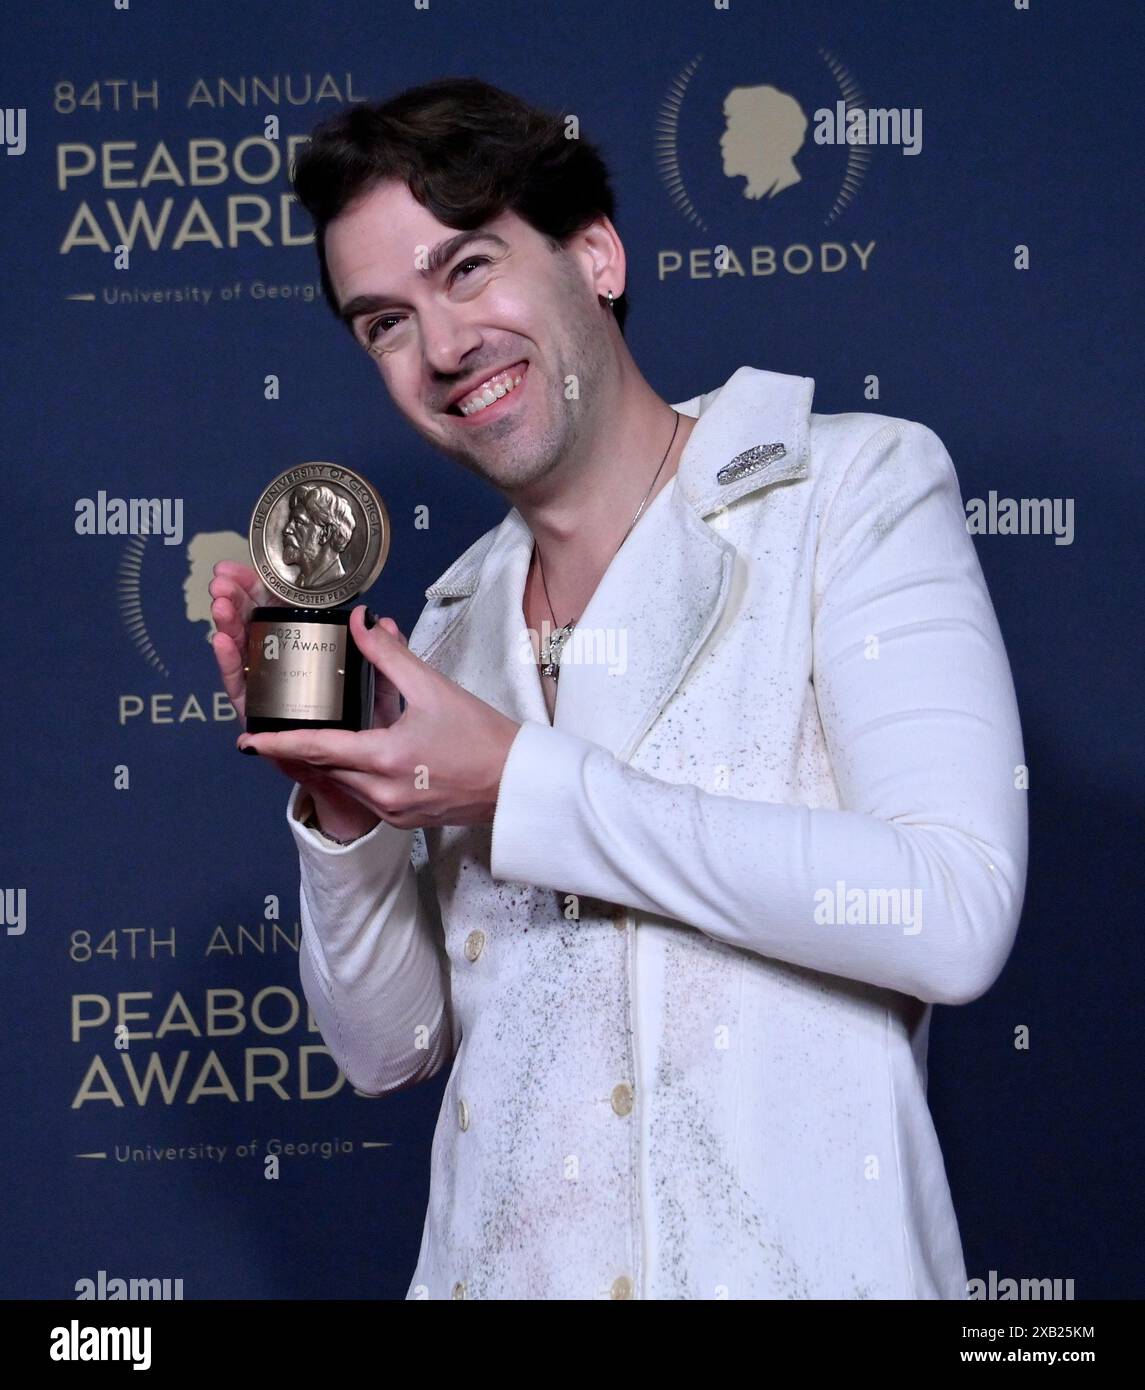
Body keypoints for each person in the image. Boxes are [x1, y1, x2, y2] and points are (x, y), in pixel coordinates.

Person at [209, 77, 1027, 1300]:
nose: (440, 349)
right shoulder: (439, 631)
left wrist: (516, 784)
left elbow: (949, 915)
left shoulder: (846, 493)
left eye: (469, 268)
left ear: (594, 252)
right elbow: (390, 1051)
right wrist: (342, 809)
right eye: (382, 322)